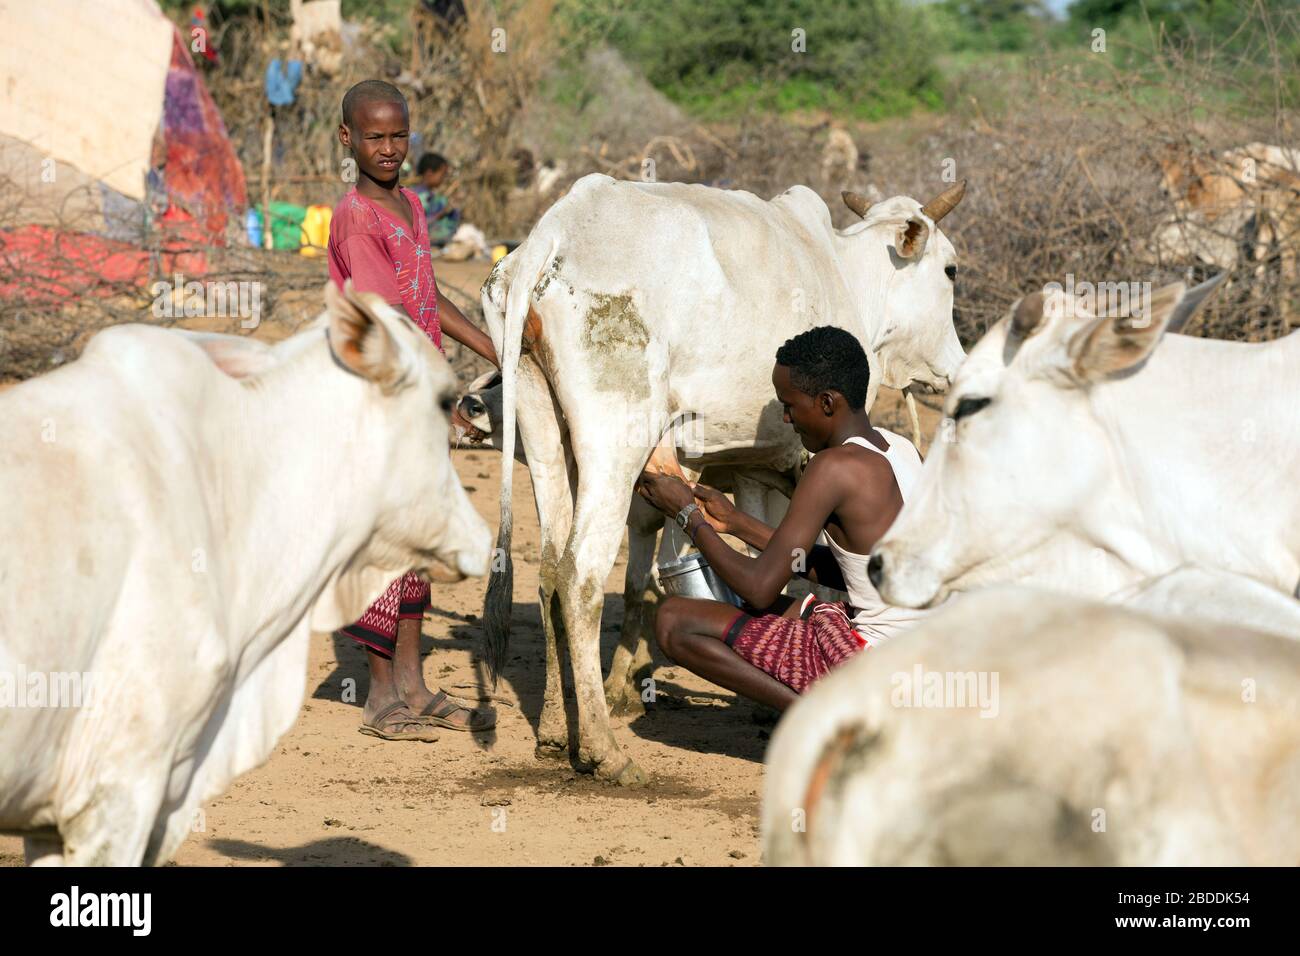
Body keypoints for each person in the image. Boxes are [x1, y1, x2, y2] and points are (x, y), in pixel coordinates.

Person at [328, 79, 498, 741]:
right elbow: (389, 317)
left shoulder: (410, 206)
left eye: (400, 135)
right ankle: (378, 697)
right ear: (348, 138)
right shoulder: (356, 216)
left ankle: (416, 686)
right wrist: (435, 399)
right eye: (376, 136)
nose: (390, 148)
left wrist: (492, 346)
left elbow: (425, 296)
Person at [637, 327, 928, 712]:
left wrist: (687, 516)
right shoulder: (901, 449)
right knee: (788, 608)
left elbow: (758, 587)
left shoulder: (832, 468)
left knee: (674, 620)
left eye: (789, 405)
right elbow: (859, 573)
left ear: (826, 402)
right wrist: (736, 523)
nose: (788, 418)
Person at [411, 152, 462, 246]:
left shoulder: (433, 195)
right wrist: (440, 214)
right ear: (429, 174)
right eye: (442, 174)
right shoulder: (418, 197)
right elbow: (416, 226)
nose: (444, 178)